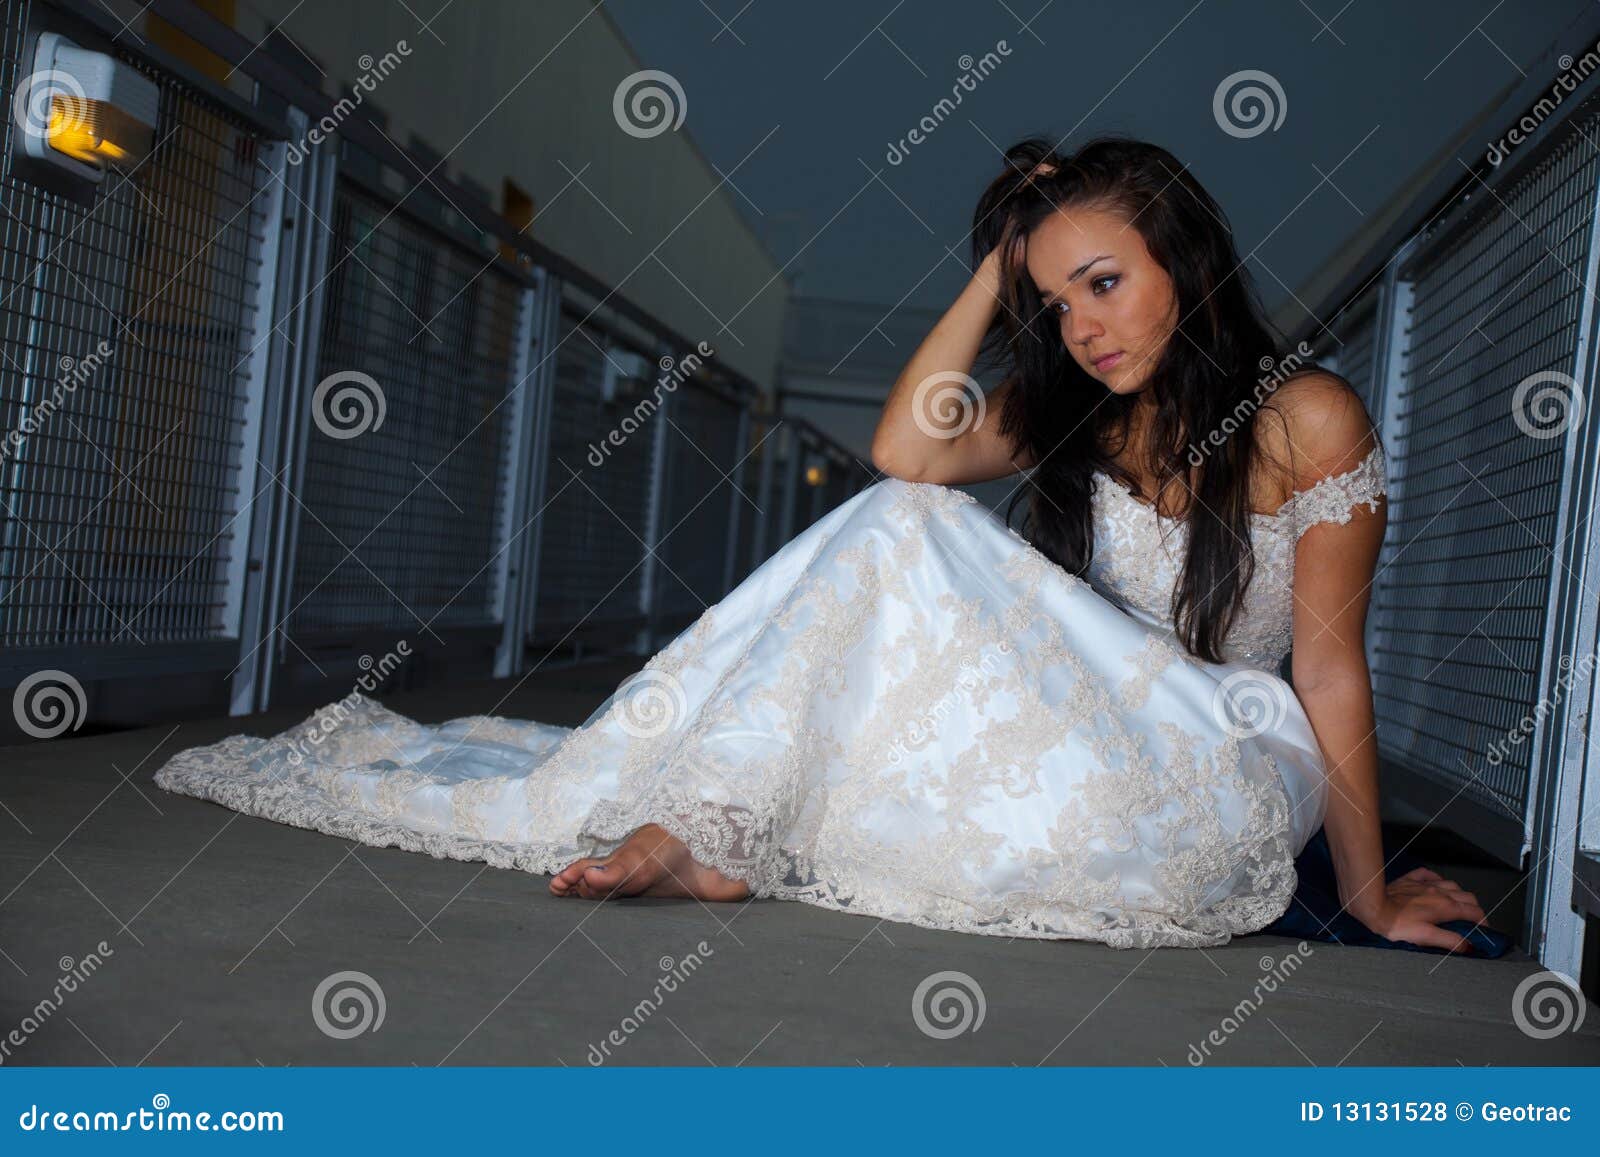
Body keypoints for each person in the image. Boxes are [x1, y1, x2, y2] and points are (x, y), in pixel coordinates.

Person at [154, 135, 1488, 951]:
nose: (1084, 327)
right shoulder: (1071, 409)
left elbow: (1329, 670)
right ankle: (711, 827)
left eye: (1105, 283)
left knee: (913, 563)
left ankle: (712, 828)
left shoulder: (1308, 419)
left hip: (1218, 753)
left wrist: (1366, 894)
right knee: (902, 517)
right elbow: (906, 451)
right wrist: (999, 265)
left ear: (1184, 263)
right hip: (1087, 732)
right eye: (1054, 302)